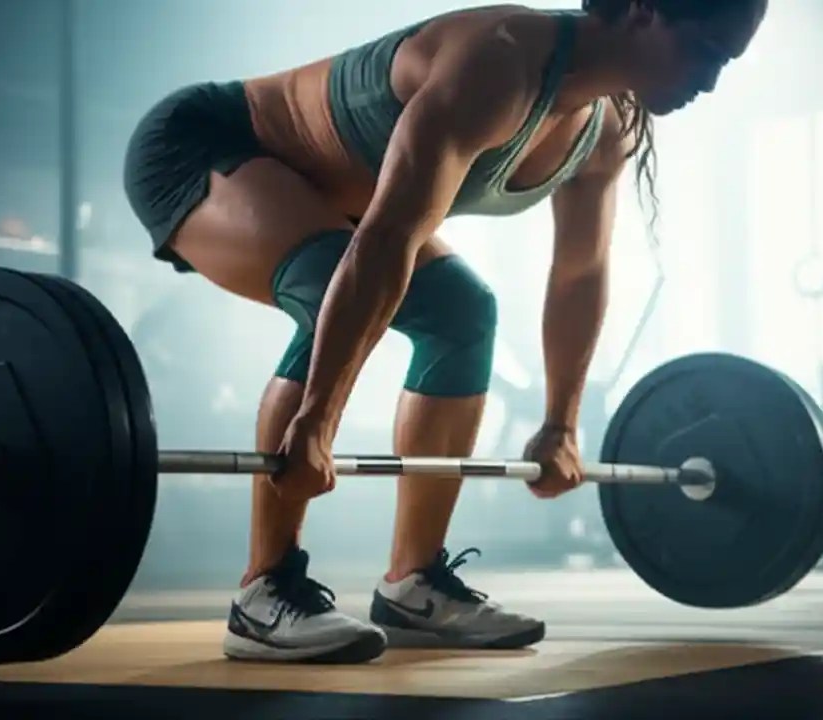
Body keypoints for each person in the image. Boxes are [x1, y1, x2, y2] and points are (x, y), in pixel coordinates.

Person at [123, 0, 768, 663]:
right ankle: (263, 591)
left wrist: (561, 424)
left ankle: (414, 584)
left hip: (330, 195)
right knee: (332, 286)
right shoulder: (499, 62)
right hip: (204, 146)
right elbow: (386, 240)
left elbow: (580, 274)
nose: (710, 80)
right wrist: (316, 418)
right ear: (642, 11)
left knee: (462, 312)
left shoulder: (603, 132)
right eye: (707, 51)